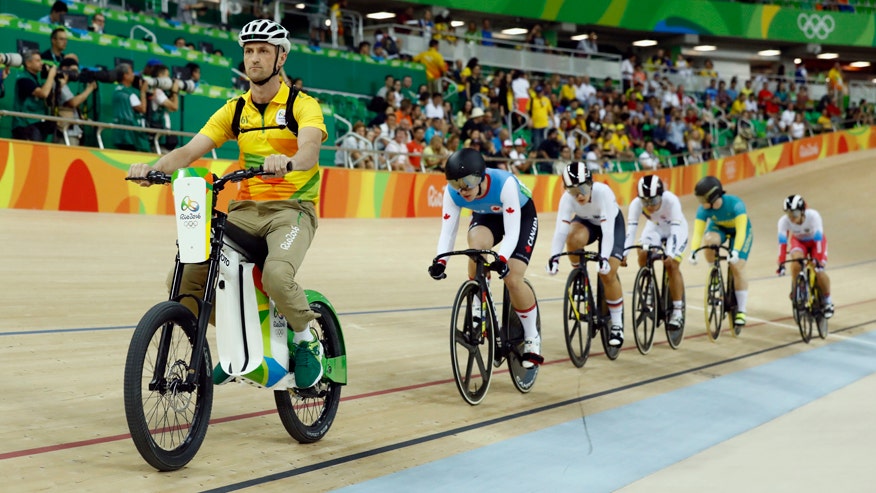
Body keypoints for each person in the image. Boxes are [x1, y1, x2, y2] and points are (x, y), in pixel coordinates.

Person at [126, 19, 328, 389]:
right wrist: (152, 170)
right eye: (249, 51)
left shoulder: (303, 105)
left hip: (292, 209)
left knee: (277, 277)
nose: (254, 58)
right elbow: (189, 150)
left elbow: (310, 148)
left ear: (281, 56)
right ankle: (238, 349)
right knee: (184, 279)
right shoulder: (235, 110)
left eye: (263, 51)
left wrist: (288, 162)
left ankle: (306, 338)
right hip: (245, 211)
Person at [428, 149, 542, 367]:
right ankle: (479, 306)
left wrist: (501, 258)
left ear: (481, 176)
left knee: (513, 279)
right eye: (455, 183)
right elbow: (448, 231)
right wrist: (441, 260)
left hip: (521, 215)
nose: (463, 189)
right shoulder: (453, 193)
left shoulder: (505, 183)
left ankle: (531, 337)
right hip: (487, 216)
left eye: (469, 181)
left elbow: (512, 232)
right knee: (476, 249)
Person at [547, 163, 626, 346]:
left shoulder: (603, 193)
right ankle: (580, 279)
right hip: (587, 222)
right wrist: (554, 257)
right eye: (573, 191)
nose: (579, 195)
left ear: (590, 183)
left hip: (612, 225)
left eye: (582, 189)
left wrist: (604, 258)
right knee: (572, 237)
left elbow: (607, 232)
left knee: (608, 274)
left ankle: (617, 324)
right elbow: (561, 231)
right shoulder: (567, 199)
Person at [623, 175, 688, 329]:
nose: (649, 206)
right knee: (643, 251)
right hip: (655, 227)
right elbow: (631, 231)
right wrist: (624, 253)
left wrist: (671, 254)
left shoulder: (671, 200)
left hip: (676, 229)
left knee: (672, 266)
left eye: (653, 201)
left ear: (661, 195)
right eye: (645, 202)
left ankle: (677, 312)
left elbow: (675, 231)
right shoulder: (636, 204)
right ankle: (649, 284)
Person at [689, 176, 753, 328]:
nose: (699, 203)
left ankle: (742, 310)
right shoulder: (703, 209)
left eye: (701, 199)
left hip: (739, 232)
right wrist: (693, 251)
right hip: (719, 229)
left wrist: (735, 251)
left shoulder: (736, 205)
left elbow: (742, 232)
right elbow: (698, 233)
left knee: (737, 267)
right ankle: (715, 273)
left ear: (712, 197)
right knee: (709, 241)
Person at [776, 195, 834, 318]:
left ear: (802, 211)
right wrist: (781, 263)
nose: (791, 216)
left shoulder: (813, 216)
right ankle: (799, 289)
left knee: (819, 271)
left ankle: (827, 301)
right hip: (799, 242)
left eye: (795, 212)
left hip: (816, 242)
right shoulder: (783, 221)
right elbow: (782, 243)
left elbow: (818, 239)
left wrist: (818, 260)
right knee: (796, 261)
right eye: (788, 213)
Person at [11, 50, 57, 142]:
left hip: (35, 124)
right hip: (25, 125)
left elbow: (48, 99)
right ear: (28, 63)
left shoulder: (35, 79)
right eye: (38, 61)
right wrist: (51, 75)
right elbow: (43, 93)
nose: (42, 63)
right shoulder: (23, 79)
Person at [53, 56, 97, 146]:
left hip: (72, 134)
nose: (76, 74)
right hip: (66, 134)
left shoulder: (65, 86)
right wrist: (89, 89)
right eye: (73, 70)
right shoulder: (58, 84)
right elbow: (72, 103)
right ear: (65, 69)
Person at [112, 63, 150, 152]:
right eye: (131, 72)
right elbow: (142, 108)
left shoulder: (116, 90)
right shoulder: (129, 93)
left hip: (119, 134)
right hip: (130, 135)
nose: (133, 75)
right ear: (125, 76)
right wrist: (143, 92)